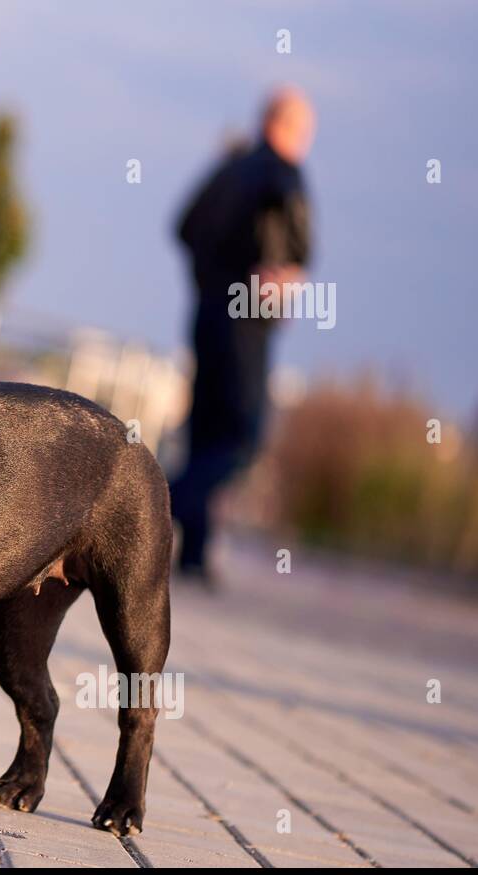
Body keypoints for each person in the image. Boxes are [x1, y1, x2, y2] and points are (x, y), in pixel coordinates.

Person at [169, 88, 315, 582]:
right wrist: (277, 268)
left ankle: (192, 556)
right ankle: (153, 502)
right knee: (243, 437)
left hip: (207, 312)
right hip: (247, 317)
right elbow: (293, 236)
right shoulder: (280, 170)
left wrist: (212, 278)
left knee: (206, 433)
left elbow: (183, 226)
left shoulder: (228, 168)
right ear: (288, 127)